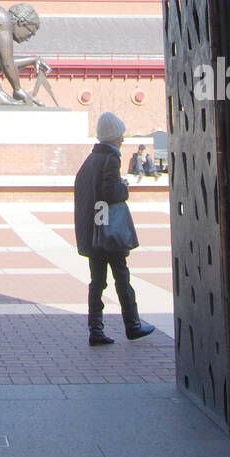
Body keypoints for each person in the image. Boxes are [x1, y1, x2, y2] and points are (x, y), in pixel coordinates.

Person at [74, 112, 155, 346]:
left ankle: (96, 329)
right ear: (113, 136)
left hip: (92, 232)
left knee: (97, 282)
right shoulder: (111, 159)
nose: (122, 139)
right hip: (109, 234)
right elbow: (109, 193)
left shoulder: (90, 160)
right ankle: (133, 324)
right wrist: (124, 188)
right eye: (120, 134)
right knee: (122, 278)